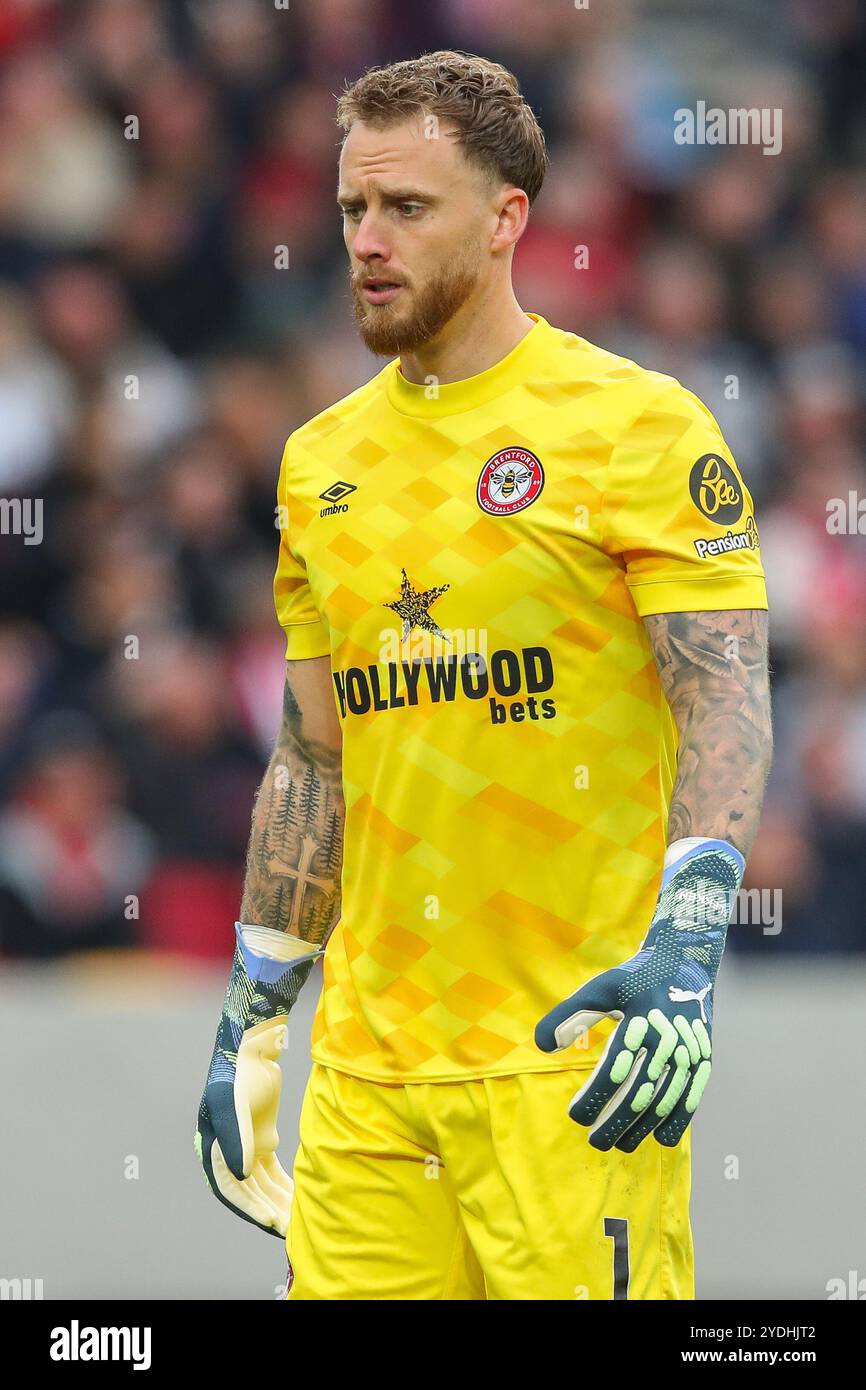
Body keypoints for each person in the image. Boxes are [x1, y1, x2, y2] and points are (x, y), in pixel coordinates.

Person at [195, 51, 772, 1301]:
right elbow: (311, 754)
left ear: (507, 218)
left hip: (572, 1073)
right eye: (352, 208)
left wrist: (687, 942)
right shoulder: (317, 464)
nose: (366, 240)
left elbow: (721, 690)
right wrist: (254, 1007)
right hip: (367, 1087)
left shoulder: (637, 427)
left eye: (406, 209)